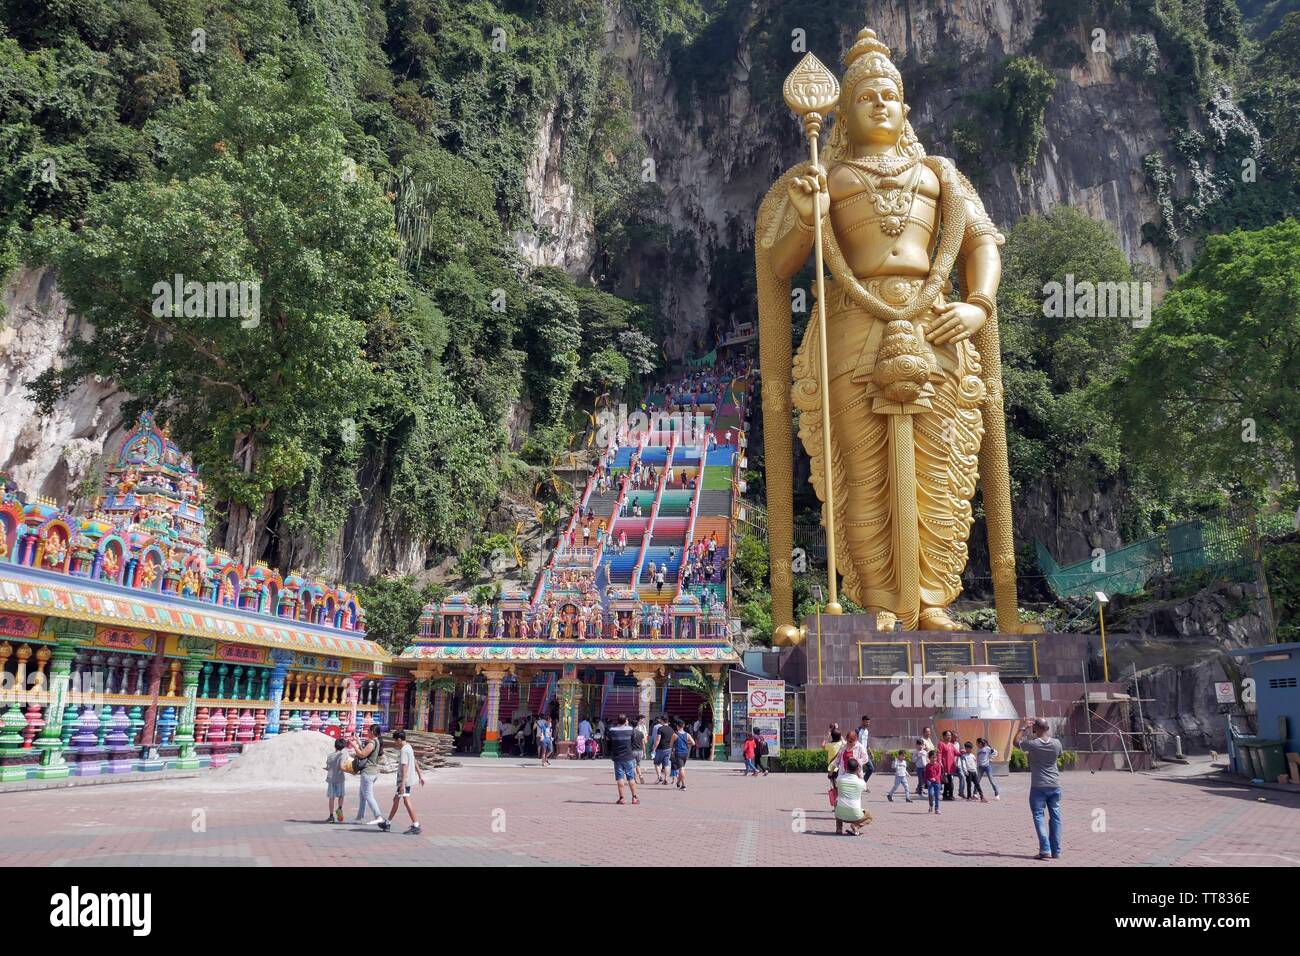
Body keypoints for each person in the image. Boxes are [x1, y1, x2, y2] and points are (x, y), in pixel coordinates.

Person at [1018, 717, 1064, 860]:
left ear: (1035, 729)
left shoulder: (1033, 744)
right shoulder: (1057, 743)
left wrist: (1023, 728)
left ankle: (1045, 850)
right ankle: (1056, 851)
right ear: (1048, 728)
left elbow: (1015, 742)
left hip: (1039, 785)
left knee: (1039, 817)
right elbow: (1059, 755)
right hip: (1055, 784)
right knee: (1056, 818)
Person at [384, 729, 425, 834]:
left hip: (404, 780)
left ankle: (416, 824)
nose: (394, 743)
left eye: (395, 741)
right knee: (396, 799)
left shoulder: (404, 750)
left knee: (406, 801)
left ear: (399, 739)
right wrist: (420, 775)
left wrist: (402, 784)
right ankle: (388, 822)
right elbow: (414, 760)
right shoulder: (409, 747)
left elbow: (404, 766)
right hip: (407, 779)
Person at [350, 723, 385, 826]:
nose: (367, 732)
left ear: (372, 732)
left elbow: (362, 754)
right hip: (372, 772)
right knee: (362, 795)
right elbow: (366, 751)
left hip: (368, 772)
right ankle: (359, 817)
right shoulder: (376, 742)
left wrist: (354, 746)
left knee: (368, 796)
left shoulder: (372, 743)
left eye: (369, 731)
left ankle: (378, 816)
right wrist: (358, 742)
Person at [607, 715, 640, 805]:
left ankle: (622, 798)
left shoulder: (612, 730)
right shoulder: (630, 729)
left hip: (617, 757)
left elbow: (609, 741)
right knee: (631, 777)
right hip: (628, 756)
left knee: (620, 778)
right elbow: (633, 741)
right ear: (626, 720)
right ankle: (634, 797)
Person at [834, 758, 872, 835]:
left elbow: (836, 786)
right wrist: (859, 774)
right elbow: (865, 788)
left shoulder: (840, 779)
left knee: (837, 802)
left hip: (840, 814)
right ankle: (856, 826)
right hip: (855, 815)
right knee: (870, 816)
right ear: (858, 768)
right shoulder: (861, 782)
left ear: (846, 767)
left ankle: (839, 828)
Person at [325, 737, 347, 823]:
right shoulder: (342, 755)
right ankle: (340, 808)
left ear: (335, 746)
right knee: (341, 795)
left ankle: (331, 816)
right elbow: (341, 766)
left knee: (331, 797)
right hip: (340, 778)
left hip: (331, 778)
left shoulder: (330, 755)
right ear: (343, 747)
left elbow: (328, 767)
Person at [652, 715, 674, 785]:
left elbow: (658, 739)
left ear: (662, 720)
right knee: (666, 764)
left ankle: (659, 777)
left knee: (657, 763)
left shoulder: (660, 729)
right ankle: (666, 779)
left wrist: (654, 749)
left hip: (660, 748)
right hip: (668, 748)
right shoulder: (671, 729)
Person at [938, 730, 959, 801]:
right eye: (947, 735)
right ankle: (950, 795)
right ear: (944, 736)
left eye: (950, 735)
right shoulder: (941, 744)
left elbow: (956, 753)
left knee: (948, 781)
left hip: (951, 766)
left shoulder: (951, 745)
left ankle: (945, 795)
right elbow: (939, 753)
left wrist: (963, 753)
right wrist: (940, 761)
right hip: (945, 765)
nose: (949, 736)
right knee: (949, 781)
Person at [672, 719, 691, 789]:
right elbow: (693, 743)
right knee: (681, 768)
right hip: (686, 753)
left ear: (677, 726)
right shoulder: (687, 735)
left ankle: (683, 785)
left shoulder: (675, 735)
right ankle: (678, 782)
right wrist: (687, 744)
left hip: (678, 753)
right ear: (684, 726)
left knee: (681, 769)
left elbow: (671, 745)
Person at [924, 749, 944, 814]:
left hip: (937, 782)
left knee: (937, 796)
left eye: (935, 757)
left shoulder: (938, 765)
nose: (934, 759)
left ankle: (937, 808)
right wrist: (926, 781)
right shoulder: (927, 765)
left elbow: (939, 773)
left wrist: (935, 778)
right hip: (930, 782)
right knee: (930, 794)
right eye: (932, 757)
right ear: (929, 758)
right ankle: (931, 805)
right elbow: (926, 774)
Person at [857, 715, 874, 787]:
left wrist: (870, 751)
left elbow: (866, 742)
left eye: (869, 722)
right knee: (857, 771)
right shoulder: (857, 730)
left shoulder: (866, 731)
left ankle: (863, 784)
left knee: (871, 768)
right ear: (862, 721)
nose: (868, 724)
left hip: (865, 754)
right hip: (858, 754)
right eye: (866, 722)